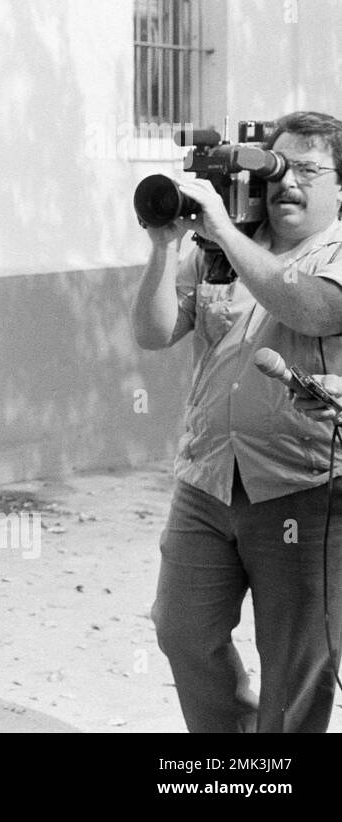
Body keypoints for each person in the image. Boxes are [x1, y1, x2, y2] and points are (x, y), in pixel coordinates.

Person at [132, 110, 342, 733]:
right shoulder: (221, 250)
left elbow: (309, 307)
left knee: (295, 668)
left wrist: (224, 231)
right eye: (278, 166)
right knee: (181, 631)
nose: (287, 181)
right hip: (207, 482)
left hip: (303, 490)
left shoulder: (328, 252)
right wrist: (164, 248)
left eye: (308, 168)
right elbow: (153, 332)